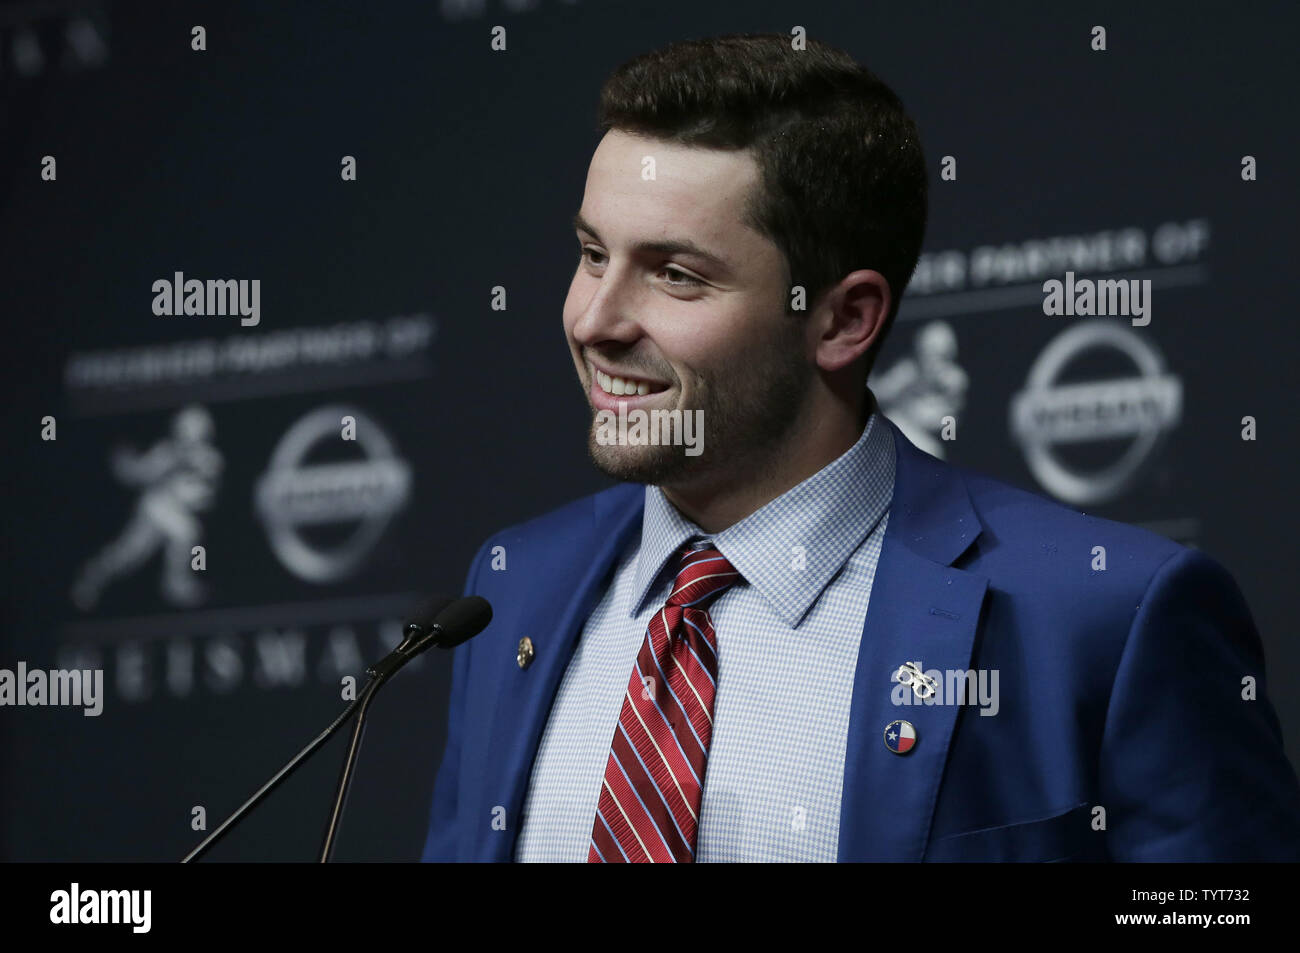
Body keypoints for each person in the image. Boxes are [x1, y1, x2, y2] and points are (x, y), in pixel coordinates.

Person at [421, 33, 1300, 862]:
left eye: (675, 275)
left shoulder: (1108, 614)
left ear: (843, 319)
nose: (594, 320)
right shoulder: (515, 587)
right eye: (591, 254)